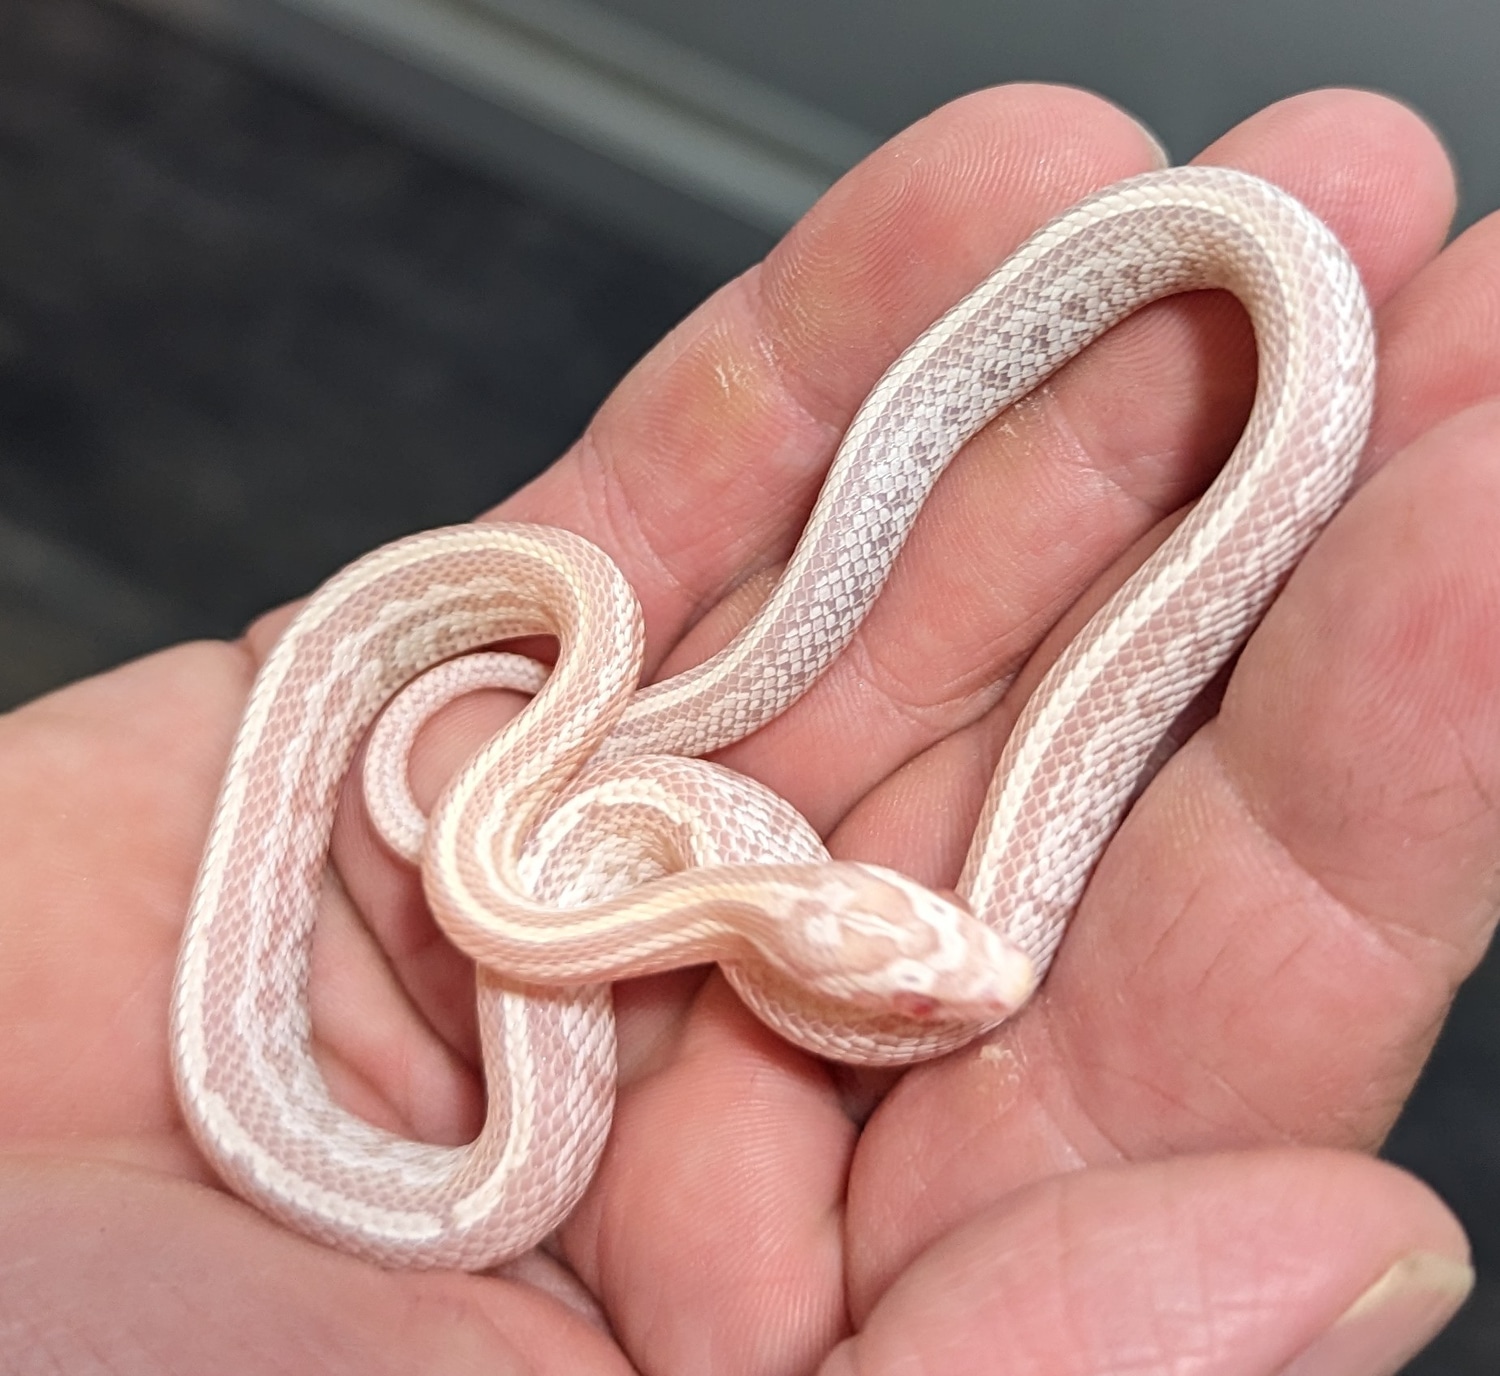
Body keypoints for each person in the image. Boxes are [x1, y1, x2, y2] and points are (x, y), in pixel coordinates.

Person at [0, 83, 1491, 1375]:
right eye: (918, 978)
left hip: (620, 841)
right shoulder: (654, 903)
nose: (972, 980)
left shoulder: (639, 877)